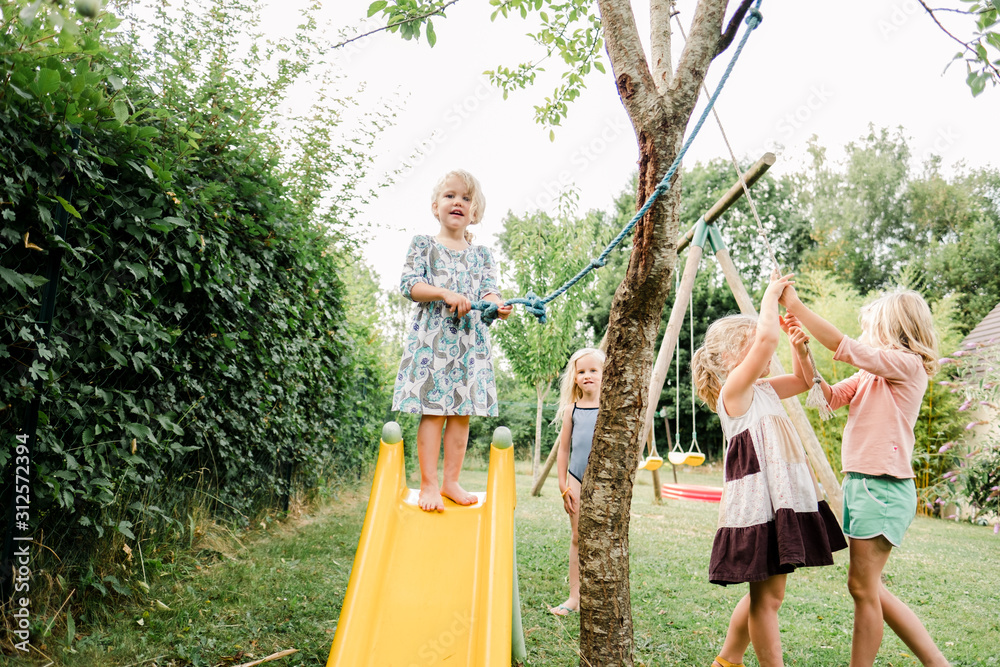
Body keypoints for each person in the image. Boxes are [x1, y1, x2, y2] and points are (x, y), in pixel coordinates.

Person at [780, 286, 949, 667]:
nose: (867, 335)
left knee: (862, 586)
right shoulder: (871, 376)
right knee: (867, 588)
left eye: (872, 327)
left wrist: (796, 306)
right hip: (862, 485)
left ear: (894, 329)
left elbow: (843, 345)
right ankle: (938, 663)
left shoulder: (906, 366)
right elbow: (826, 397)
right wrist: (802, 352)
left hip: (883, 487)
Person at [692, 274, 847, 667]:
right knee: (767, 599)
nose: (760, 354)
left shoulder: (760, 389)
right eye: (748, 348)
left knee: (769, 596)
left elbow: (802, 380)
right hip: (758, 506)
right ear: (729, 360)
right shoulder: (734, 392)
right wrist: (769, 300)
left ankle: (727, 660)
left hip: (779, 501)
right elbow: (766, 340)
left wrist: (800, 348)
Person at [391, 169, 513, 513]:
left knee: (462, 415)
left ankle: (451, 481)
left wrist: (497, 304)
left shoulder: (482, 255)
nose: (458, 202)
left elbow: (489, 289)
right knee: (433, 412)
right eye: (450, 195)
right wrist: (444, 292)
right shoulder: (423, 245)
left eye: (466, 198)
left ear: (474, 212)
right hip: (432, 344)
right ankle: (429, 484)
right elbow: (410, 285)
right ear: (435, 207)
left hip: (468, 348)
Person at [548, 347, 605, 616]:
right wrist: (563, 483)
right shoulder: (571, 410)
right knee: (577, 537)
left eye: (594, 370)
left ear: (605, 374)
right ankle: (574, 597)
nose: (587, 375)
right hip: (576, 479)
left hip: (604, 480)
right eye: (581, 371)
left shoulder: (611, 408)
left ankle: (600, 593)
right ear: (574, 377)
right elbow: (563, 449)